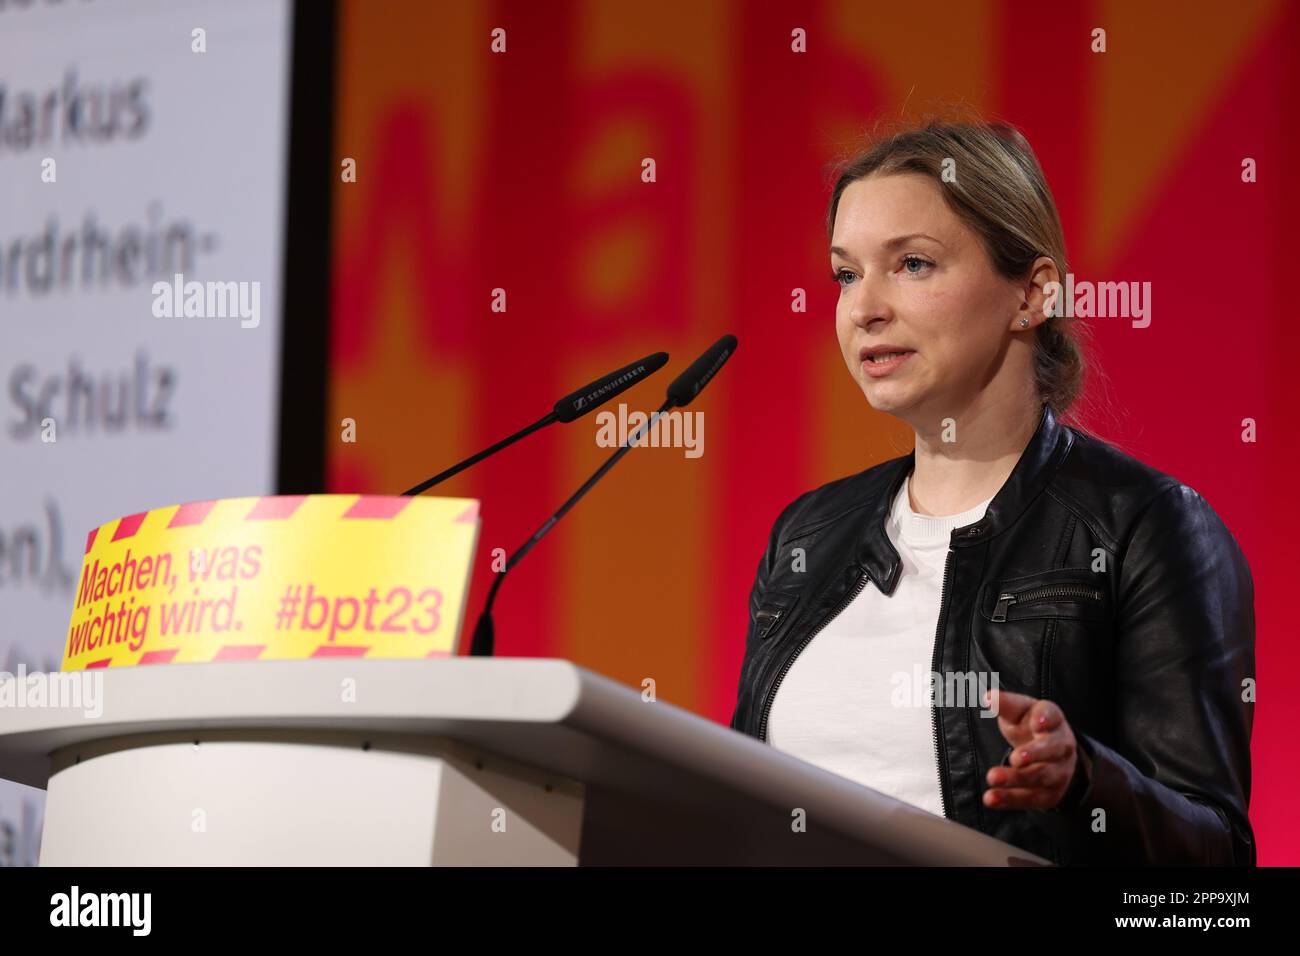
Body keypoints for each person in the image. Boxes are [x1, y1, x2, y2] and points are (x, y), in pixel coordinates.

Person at [729, 119, 1255, 866]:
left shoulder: (1145, 526)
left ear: (1032, 294)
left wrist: (1085, 784)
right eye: (846, 274)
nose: (863, 308)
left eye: (912, 264)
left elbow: (1218, 862)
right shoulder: (809, 534)